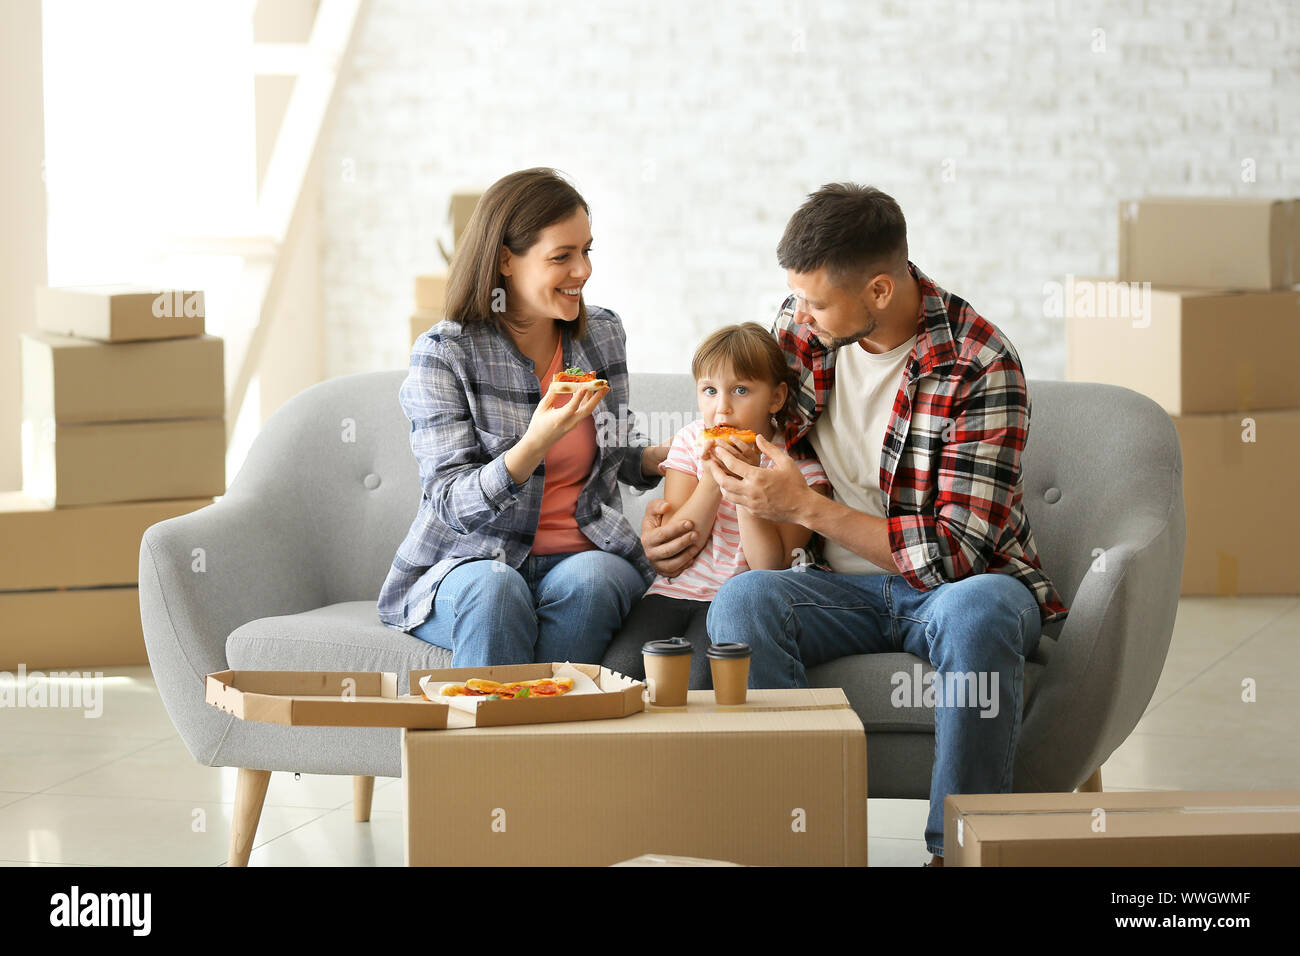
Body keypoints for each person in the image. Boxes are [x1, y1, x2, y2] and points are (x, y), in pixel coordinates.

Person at [639, 183, 1070, 867]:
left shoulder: (981, 365)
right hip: (833, 587)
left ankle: (955, 854)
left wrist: (805, 508)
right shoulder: (800, 330)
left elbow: (955, 554)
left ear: (877, 290)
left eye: (815, 302)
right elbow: (732, 423)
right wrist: (662, 482)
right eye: (798, 298)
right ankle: (808, 839)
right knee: (746, 600)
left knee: (983, 610)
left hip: (957, 586)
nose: (799, 315)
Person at [378, 167, 667, 667]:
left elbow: (619, 449)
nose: (583, 271)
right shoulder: (445, 353)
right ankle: (497, 741)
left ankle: (545, 730)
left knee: (596, 582)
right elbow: (449, 502)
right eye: (562, 256)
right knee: (496, 592)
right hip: (470, 561)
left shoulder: (600, 335)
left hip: (583, 554)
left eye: (587, 251)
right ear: (505, 261)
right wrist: (532, 444)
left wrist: (670, 457)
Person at [602, 323, 829, 687]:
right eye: (709, 391)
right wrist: (712, 475)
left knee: (694, 686)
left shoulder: (800, 469)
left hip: (734, 605)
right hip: (671, 592)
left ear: (776, 397)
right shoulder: (691, 441)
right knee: (617, 676)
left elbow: (769, 566)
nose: (722, 407)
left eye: (740, 390)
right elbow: (680, 546)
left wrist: (744, 478)